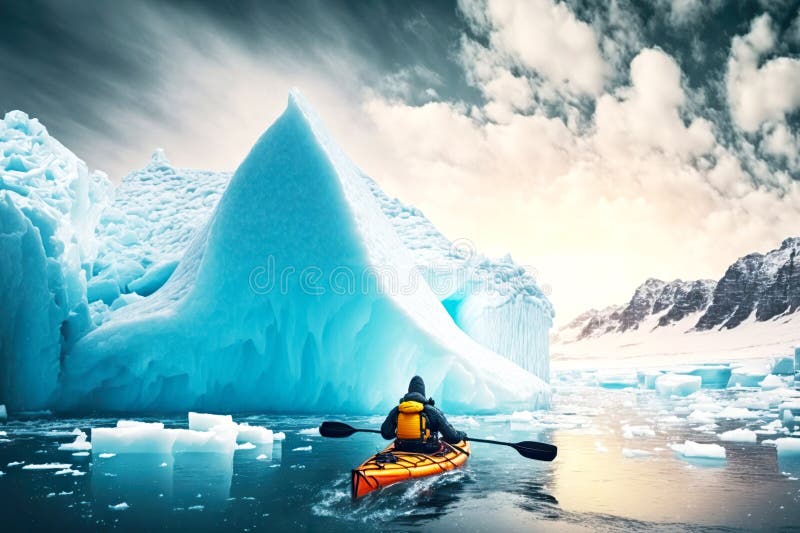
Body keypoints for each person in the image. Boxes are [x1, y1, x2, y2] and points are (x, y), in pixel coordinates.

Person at [380, 375, 467, 453]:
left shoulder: (398, 409)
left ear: (409, 391)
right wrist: (462, 434)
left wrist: (401, 433)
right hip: (428, 450)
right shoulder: (431, 410)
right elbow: (452, 438)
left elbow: (386, 434)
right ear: (423, 392)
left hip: (401, 448)